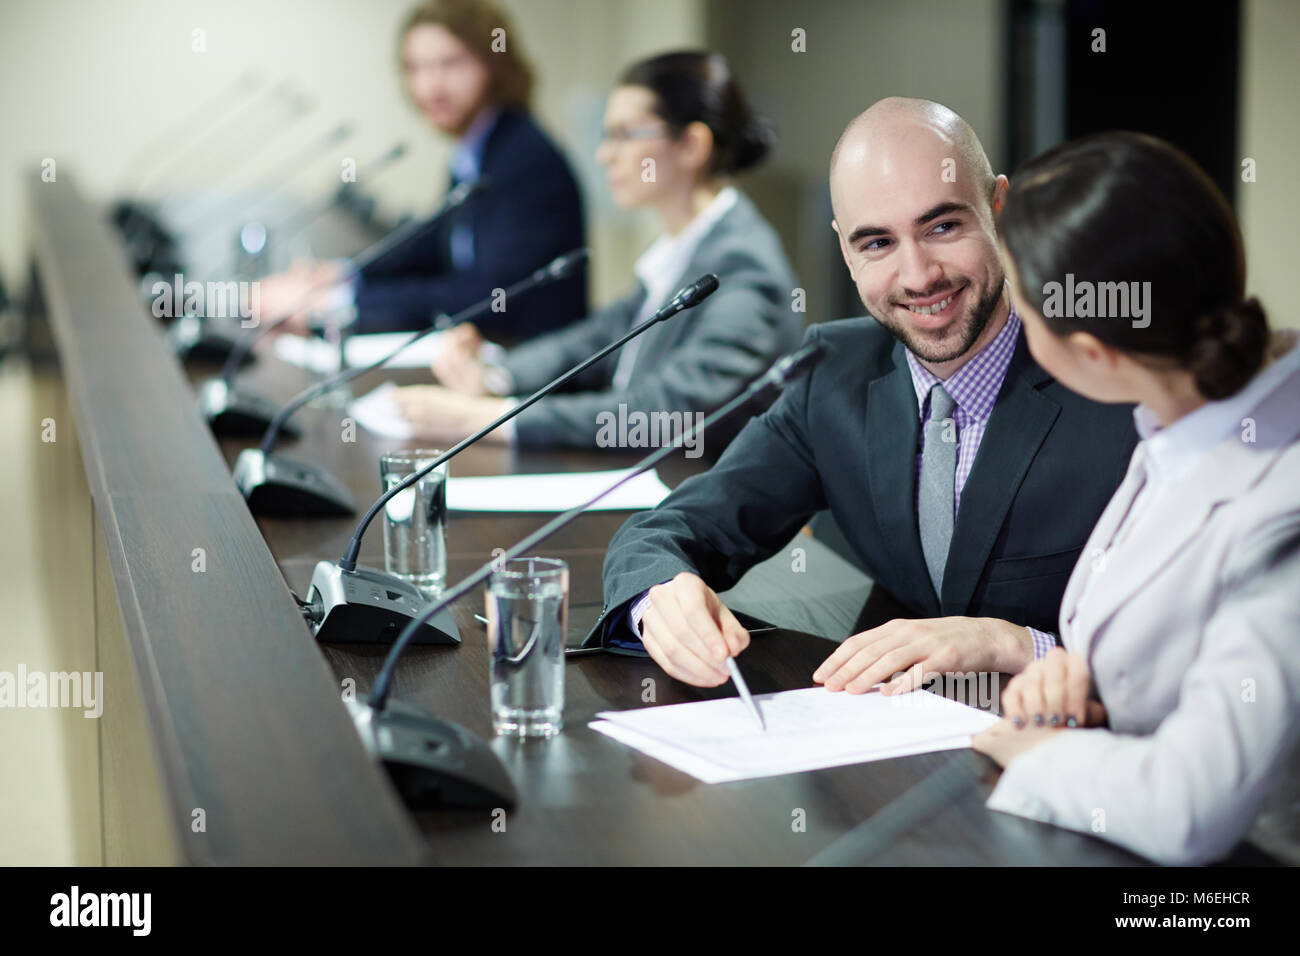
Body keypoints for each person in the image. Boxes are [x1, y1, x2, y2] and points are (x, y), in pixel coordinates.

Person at [584, 97, 1138, 689]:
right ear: (846, 252)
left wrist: (1018, 645)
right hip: (891, 747)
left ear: (1001, 212)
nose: (919, 275)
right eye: (877, 244)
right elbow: (664, 531)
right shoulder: (832, 373)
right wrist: (661, 597)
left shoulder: (1117, 389)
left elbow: (1196, 654)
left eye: (943, 227)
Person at [971, 132, 1300, 865]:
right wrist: (1092, 672)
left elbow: (1190, 808)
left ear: (1092, 353)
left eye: (1022, 313)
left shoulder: (1283, 505)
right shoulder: (1180, 417)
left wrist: (1037, 755)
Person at [390, 50, 802, 451]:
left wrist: (488, 420)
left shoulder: (744, 264)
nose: (605, 155)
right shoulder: (685, 244)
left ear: (692, 145)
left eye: (624, 135)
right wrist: (495, 377)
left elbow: (666, 412)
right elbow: (597, 338)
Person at [257, 0, 586, 339]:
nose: (431, 86)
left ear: (493, 63)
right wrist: (344, 275)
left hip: (537, 369)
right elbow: (433, 246)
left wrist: (338, 301)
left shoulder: (524, 158)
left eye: (450, 63)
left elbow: (492, 295)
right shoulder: (478, 146)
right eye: (416, 68)